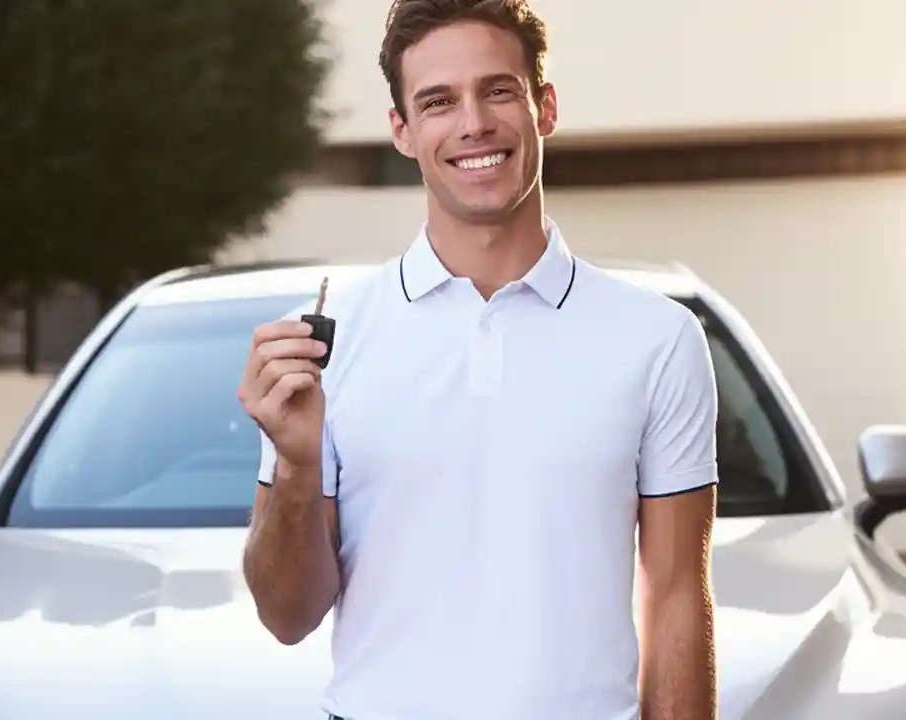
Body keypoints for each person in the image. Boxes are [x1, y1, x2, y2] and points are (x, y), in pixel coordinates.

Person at [238, 1, 719, 718]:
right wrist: (298, 468)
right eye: (438, 102)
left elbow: (677, 594)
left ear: (544, 107)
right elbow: (287, 617)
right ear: (402, 130)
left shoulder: (658, 339)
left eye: (498, 90)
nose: (473, 124)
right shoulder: (325, 344)